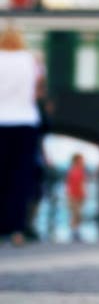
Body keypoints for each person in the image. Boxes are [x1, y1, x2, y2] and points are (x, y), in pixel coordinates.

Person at [0, 26, 45, 246]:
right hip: (25, 121)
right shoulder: (31, 60)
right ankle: (17, 229)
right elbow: (38, 90)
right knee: (20, 178)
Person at [65, 153, 86, 241]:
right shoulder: (72, 171)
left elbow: (82, 184)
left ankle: (76, 230)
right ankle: (74, 231)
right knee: (75, 214)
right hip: (73, 196)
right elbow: (69, 184)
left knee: (78, 214)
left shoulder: (81, 171)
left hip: (80, 196)